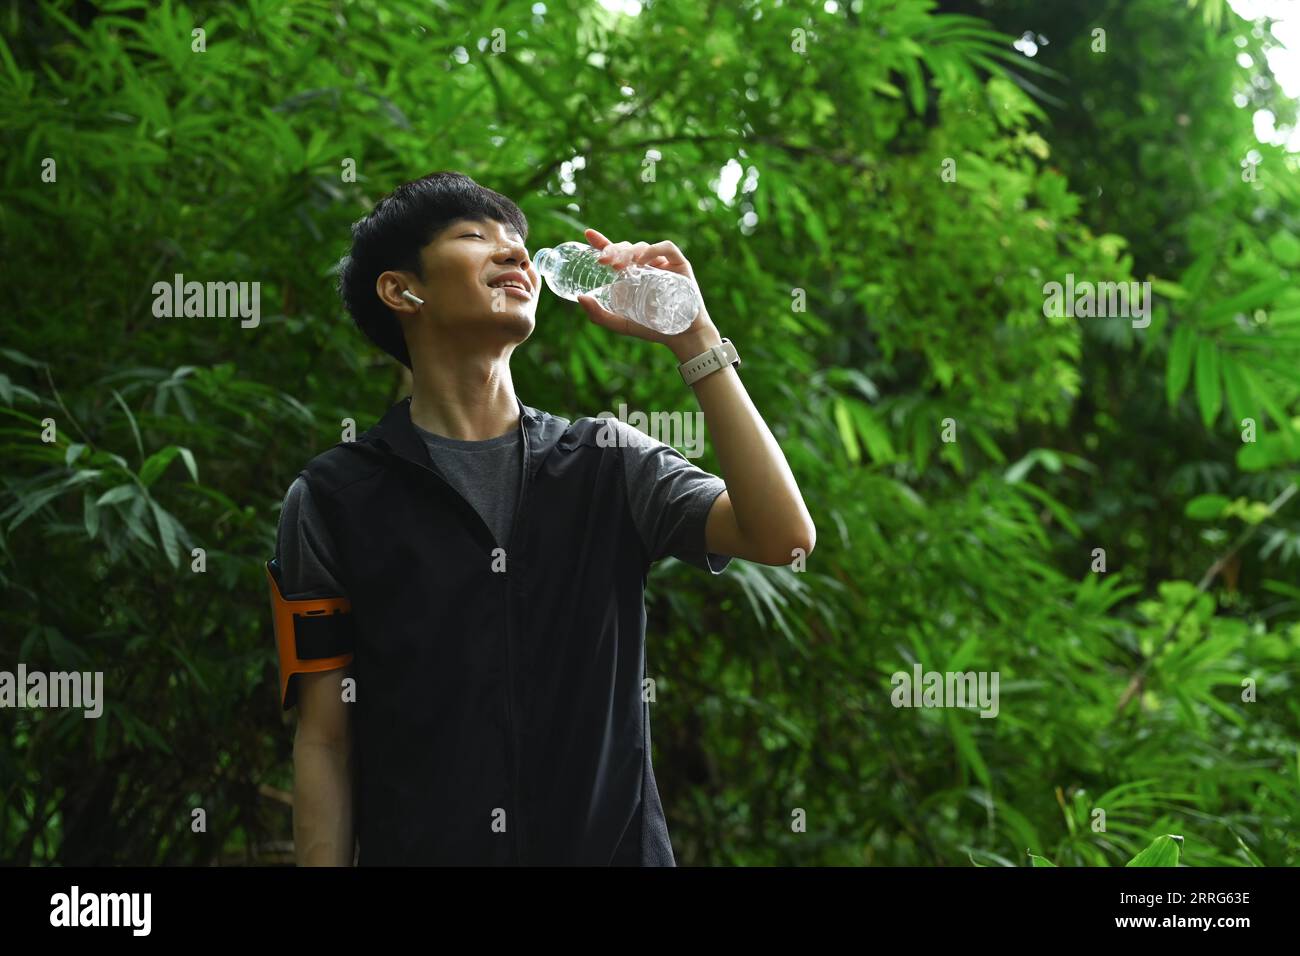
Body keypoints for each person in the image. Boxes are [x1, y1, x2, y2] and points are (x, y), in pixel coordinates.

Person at [267, 170, 815, 865]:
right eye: (476, 237)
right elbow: (325, 738)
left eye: (519, 244)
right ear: (402, 290)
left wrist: (692, 334)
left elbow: (783, 535)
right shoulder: (333, 499)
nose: (516, 255)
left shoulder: (607, 462)